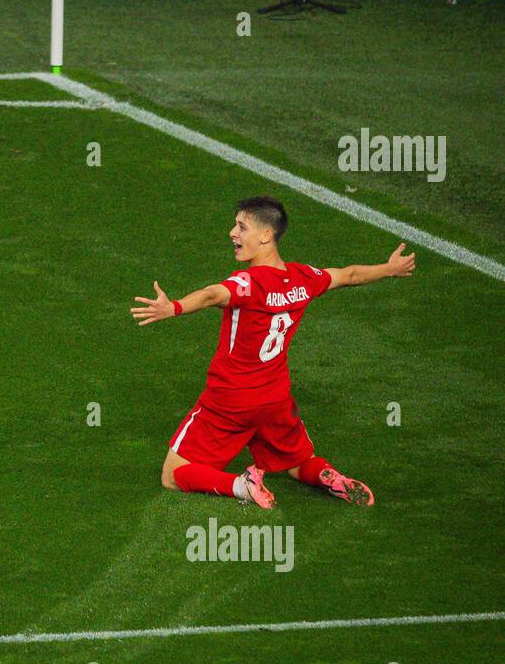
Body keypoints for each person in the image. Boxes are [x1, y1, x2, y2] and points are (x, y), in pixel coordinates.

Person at [130, 197, 416, 509]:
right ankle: (328, 476)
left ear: (266, 235)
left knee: (173, 475)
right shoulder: (303, 278)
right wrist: (389, 269)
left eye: (242, 227)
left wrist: (173, 307)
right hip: (276, 398)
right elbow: (349, 275)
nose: (232, 233)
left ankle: (242, 486)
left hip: (232, 399)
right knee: (297, 462)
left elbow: (213, 294)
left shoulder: (247, 283)